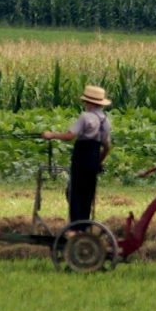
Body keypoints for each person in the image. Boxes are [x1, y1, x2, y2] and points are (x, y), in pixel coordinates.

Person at [42, 85, 112, 229]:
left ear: (91, 103)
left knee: (75, 192)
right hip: (93, 159)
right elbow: (107, 147)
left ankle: (74, 228)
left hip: (81, 157)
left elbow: (70, 136)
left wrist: (51, 135)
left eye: (86, 102)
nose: (85, 105)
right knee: (87, 194)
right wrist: (98, 161)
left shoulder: (85, 117)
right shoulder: (105, 121)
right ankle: (84, 226)